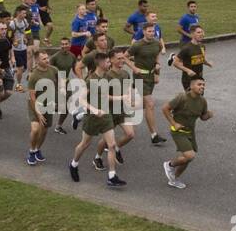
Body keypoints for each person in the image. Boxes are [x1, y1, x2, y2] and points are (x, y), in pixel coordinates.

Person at [69, 52, 126, 187]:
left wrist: (123, 97)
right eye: (107, 62)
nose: (109, 64)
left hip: (106, 116)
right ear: (100, 64)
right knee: (84, 144)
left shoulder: (106, 77)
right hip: (92, 118)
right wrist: (94, 110)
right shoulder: (90, 80)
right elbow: (82, 100)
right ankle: (73, 164)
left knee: (111, 145)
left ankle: (112, 176)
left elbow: (106, 96)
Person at [161, 76, 211, 188]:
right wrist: (174, 123)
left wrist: (209, 115)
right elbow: (165, 108)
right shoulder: (182, 97)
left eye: (203, 85)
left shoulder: (202, 101)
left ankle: (174, 179)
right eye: (199, 84)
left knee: (187, 159)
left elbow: (203, 117)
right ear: (191, 86)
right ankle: (169, 165)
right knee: (190, 155)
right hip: (178, 131)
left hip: (190, 132)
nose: (202, 87)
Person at [128, 22, 166, 145]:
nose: (151, 33)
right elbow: (124, 57)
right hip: (139, 77)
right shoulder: (137, 45)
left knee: (143, 105)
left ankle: (124, 113)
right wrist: (133, 68)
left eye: (153, 31)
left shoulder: (156, 43)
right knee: (150, 103)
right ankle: (154, 135)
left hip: (151, 75)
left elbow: (157, 55)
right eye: (149, 31)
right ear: (143, 32)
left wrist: (157, 70)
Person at [25, 48, 59, 165]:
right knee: (35, 129)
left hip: (48, 104)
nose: (47, 60)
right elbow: (32, 96)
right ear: (37, 61)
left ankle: (37, 149)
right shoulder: (33, 76)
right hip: (35, 104)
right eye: (44, 59)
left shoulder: (53, 70)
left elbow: (59, 83)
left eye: (47, 58)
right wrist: (38, 113)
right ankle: (31, 151)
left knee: (44, 130)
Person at [172, 24, 209, 90]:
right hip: (188, 80)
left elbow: (201, 59)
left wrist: (208, 63)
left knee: (198, 99)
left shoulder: (202, 46)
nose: (201, 34)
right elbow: (175, 63)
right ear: (192, 34)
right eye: (198, 32)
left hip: (199, 79)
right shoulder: (186, 48)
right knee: (192, 99)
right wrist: (188, 70)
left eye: (202, 32)